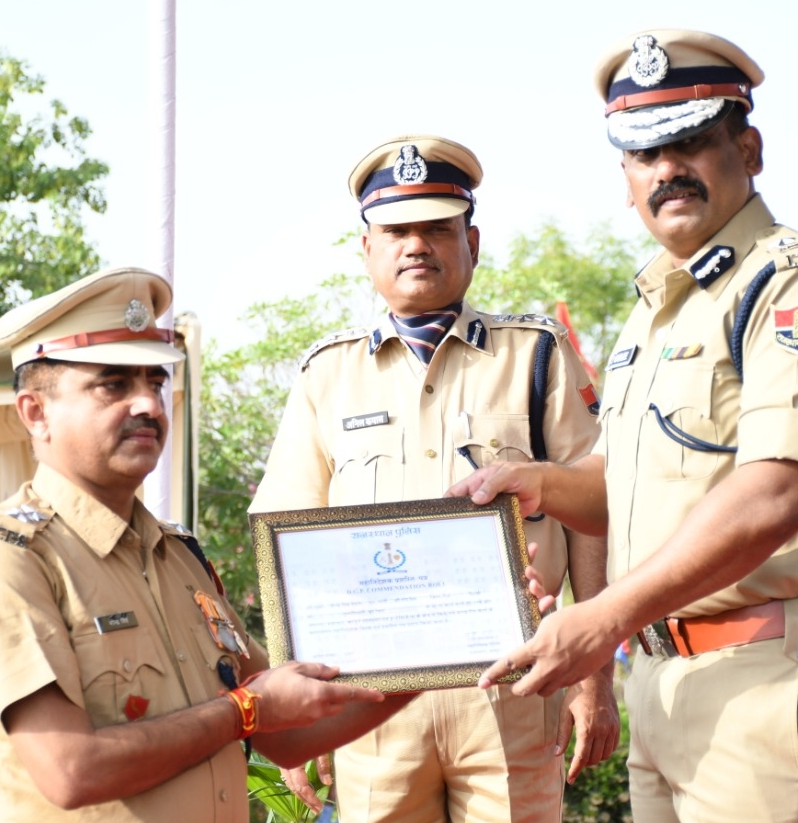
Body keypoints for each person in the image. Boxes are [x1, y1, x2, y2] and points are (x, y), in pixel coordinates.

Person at [448, 30, 798, 823]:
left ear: (748, 149)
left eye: (689, 142)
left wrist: (603, 615)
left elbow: (774, 494)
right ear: (624, 179)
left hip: (771, 675)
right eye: (641, 154)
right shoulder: (658, 310)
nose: (665, 171)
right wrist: (540, 486)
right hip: (667, 678)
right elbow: (627, 484)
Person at [0, 266, 413, 822]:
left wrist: (449, 654)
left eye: (155, 381)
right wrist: (244, 711)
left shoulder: (178, 558)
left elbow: (290, 733)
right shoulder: (2, 560)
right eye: (113, 384)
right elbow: (71, 770)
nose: (150, 405)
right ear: (36, 413)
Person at [249, 134, 619, 822]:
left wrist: (595, 672)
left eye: (436, 228)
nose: (415, 245)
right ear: (367, 250)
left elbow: (588, 514)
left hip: (511, 693)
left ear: (470, 243)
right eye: (395, 230)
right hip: (367, 710)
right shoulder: (325, 375)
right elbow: (285, 543)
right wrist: (292, 711)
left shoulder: (536, 355)